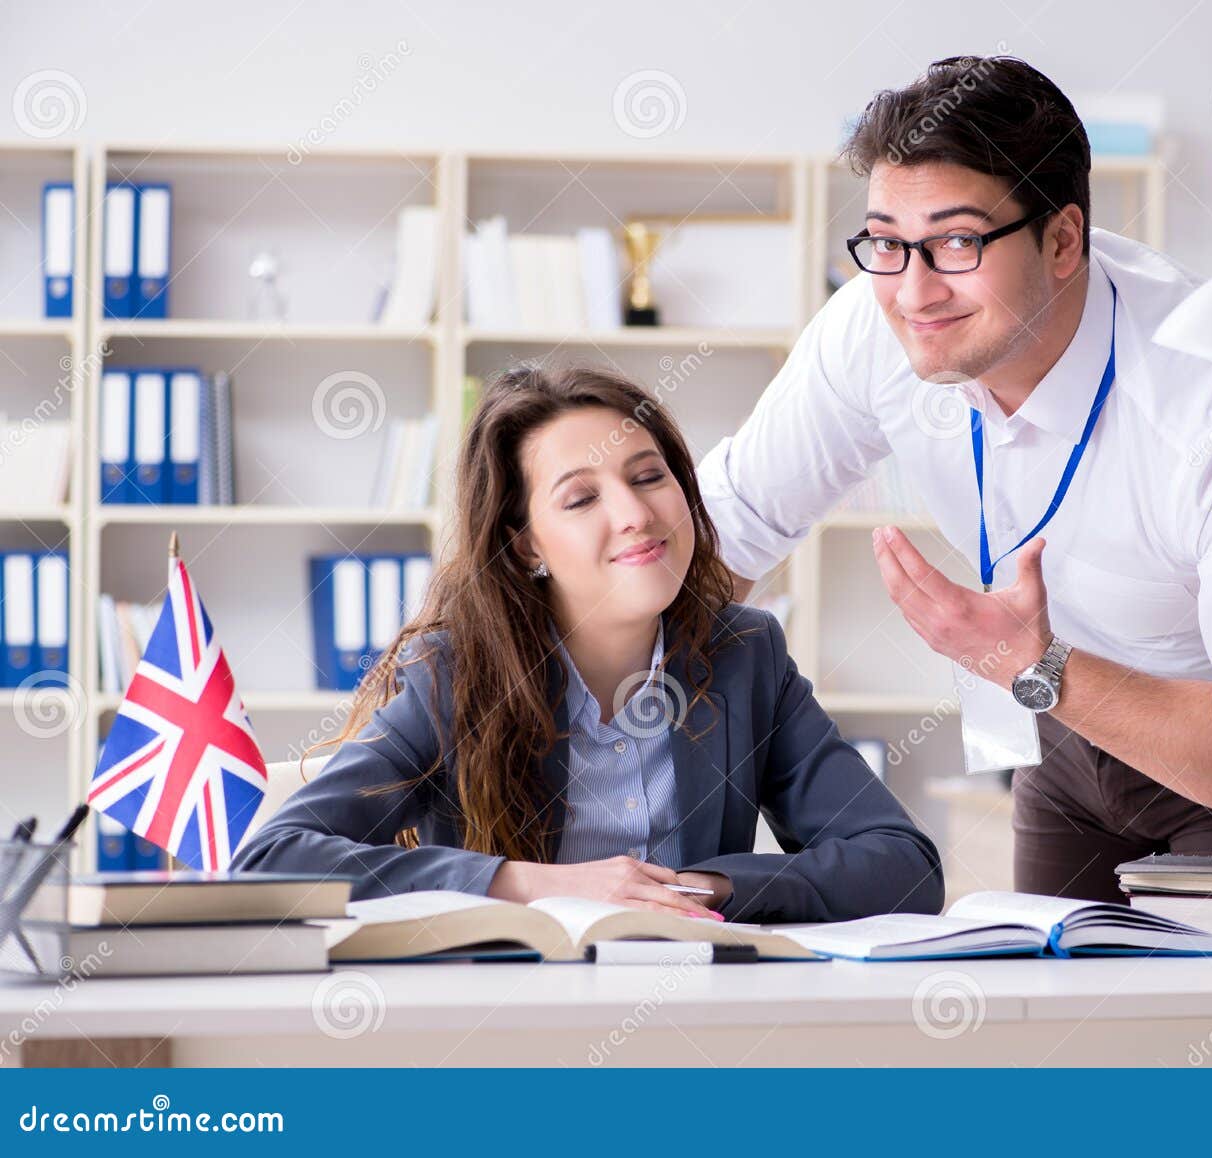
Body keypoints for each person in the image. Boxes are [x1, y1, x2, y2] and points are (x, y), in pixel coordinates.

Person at [696, 56, 1212, 904]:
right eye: (886, 241)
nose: (913, 292)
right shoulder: (873, 325)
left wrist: (1030, 665)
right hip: (1065, 708)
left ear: (1063, 240)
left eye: (957, 242)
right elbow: (723, 532)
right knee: (1048, 980)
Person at [234, 364, 943, 923]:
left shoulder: (744, 654)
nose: (636, 514)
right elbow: (272, 859)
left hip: (693, 1006)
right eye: (581, 499)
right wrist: (536, 886)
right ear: (526, 546)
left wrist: (694, 889)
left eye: (649, 477)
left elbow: (903, 865)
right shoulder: (453, 674)